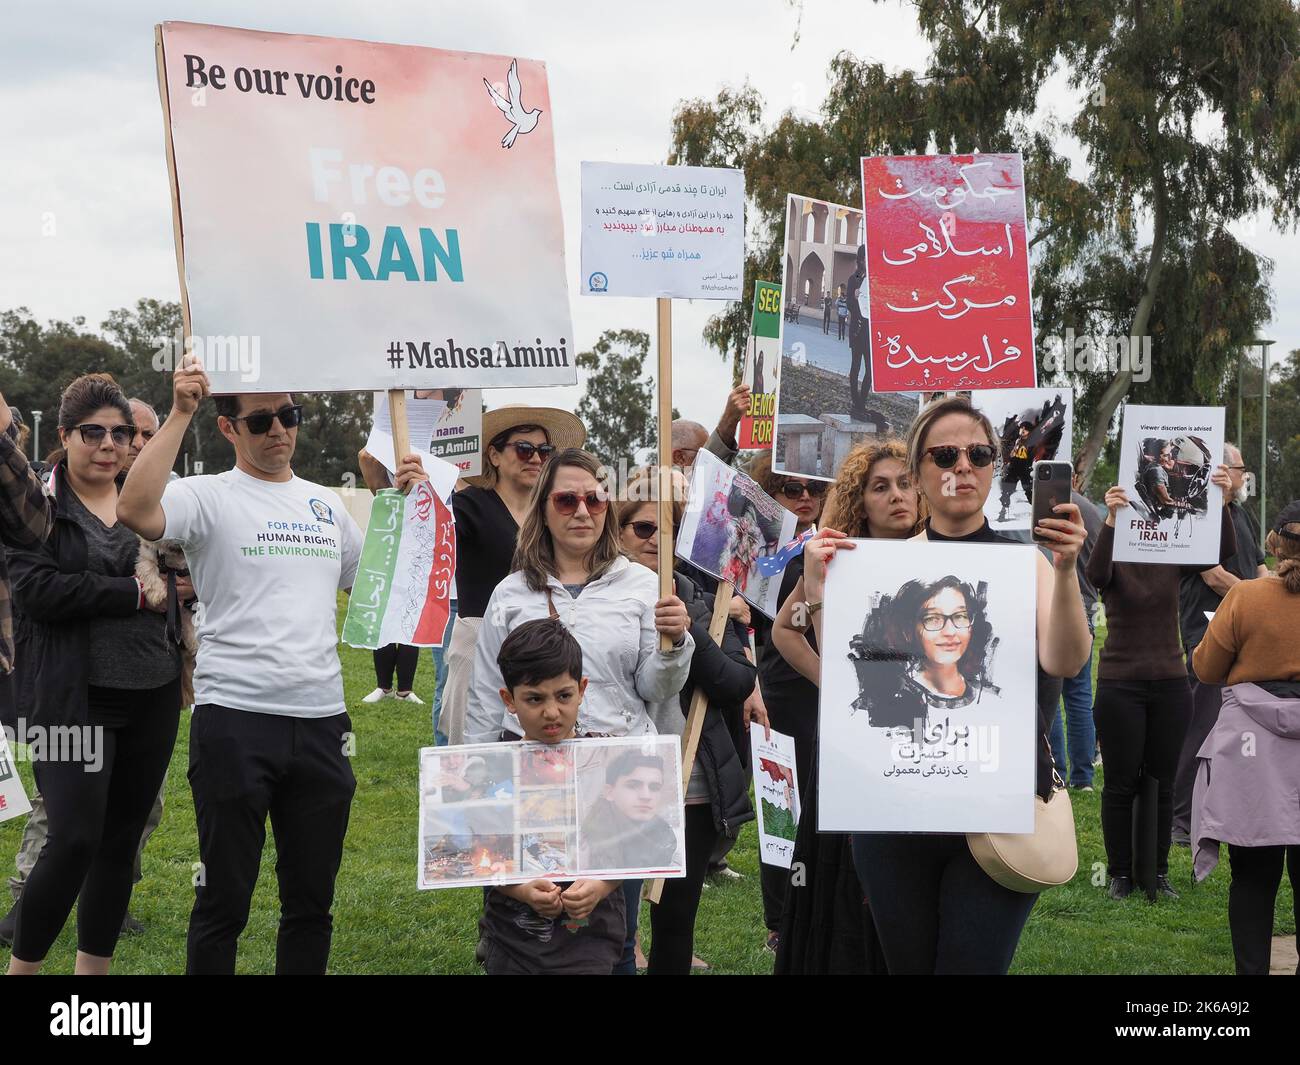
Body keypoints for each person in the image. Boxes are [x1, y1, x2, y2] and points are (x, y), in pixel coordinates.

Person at [116, 355, 427, 974]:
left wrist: (400, 511)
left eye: (290, 415)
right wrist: (180, 412)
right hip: (235, 718)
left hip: (321, 722)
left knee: (311, 906)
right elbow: (135, 508)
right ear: (229, 429)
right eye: (262, 421)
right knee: (222, 903)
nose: (280, 430)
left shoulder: (324, 507)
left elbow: (380, 590)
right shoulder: (205, 496)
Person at [801, 397, 1091, 974]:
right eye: (945, 454)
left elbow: (1065, 659)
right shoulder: (878, 565)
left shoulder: (1029, 562)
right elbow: (856, 678)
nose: (963, 466)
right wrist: (816, 593)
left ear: (994, 465)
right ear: (919, 473)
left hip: (998, 807)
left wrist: (1064, 574)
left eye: (979, 453)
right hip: (897, 808)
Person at [463, 447, 692, 975]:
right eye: (566, 500)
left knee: (612, 929)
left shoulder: (642, 586)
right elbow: (484, 695)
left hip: (614, 777)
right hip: (530, 778)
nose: (582, 511)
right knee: (531, 913)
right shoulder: (510, 593)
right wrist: (474, 783)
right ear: (543, 507)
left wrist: (675, 643)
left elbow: (655, 688)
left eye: (594, 498)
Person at [5, 374, 181, 975]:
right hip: (72, 699)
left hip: (152, 691)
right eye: (93, 432)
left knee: (120, 841)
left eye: (121, 433)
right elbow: (37, 591)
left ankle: (91, 982)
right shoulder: (38, 505)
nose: (109, 444)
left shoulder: (148, 499)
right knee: (74, 838)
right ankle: (23, 969)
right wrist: (132, 593)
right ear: (64, 436)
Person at [771, 439, 920, 974]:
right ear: (859, 498)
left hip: (927, 749)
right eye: (881, 487)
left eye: (906, 483)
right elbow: (784, 633)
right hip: (853, 751)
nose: (897, 496)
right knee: (850, 886)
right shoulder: (838, 556)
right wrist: (833, 682)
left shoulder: (946, 553)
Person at [616, 477, 755, 974]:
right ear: (617, 533)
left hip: (687, 778)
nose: (655, 539)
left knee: (675, 918)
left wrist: (685, 627)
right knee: (612, 922)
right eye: (643, 527)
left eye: (667, 529)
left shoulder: (703, 598)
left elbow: (737, 680)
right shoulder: (596, 601)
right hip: (614, 775)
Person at [1086, 476, 1235, 901]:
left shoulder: (1172, 549)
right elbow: (1096, 574)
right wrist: (1112, 521)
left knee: (1162, 781)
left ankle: (1159, 873)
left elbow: (1220, 552)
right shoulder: (1113, 545)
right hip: (1119, 681)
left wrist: (1221, 501)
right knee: (1120, 781)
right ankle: (1119, 874)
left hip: (1170, 680)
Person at [1190, 499, 1300, 975]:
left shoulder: (1246, 597)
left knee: (1253, 880)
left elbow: (1208, 669)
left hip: (1253, 754)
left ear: (1273, 544)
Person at [477, 618, 624, 975]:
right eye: (534, 699)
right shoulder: (492, 771)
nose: (551, 712)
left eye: (563, 696)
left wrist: (601, 886)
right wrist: (523, 890)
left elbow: (632, 843)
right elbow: (478, 852)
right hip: (512, 941)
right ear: (509, 700)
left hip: (590, 941)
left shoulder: (609, 764)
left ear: (582, 689)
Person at [439, 405, 585, 745]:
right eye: (524, 448)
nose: (535, 458)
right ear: (493, 455)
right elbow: (420, 535)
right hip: (479, 639)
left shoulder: (553, 512)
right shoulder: (467, 506)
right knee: (475, 755)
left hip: (543, 647)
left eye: (544, 451)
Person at [1172, 443, 1268, 844]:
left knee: (1243, 727)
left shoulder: (1241, 514)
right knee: (1202, 724)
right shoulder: (1196, 516)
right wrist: (1258, 600)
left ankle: (1229, 810)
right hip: (1207, 630)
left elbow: (1262, 570)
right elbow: (1213, 577)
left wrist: (1273, 604)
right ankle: (1179, 819)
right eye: (1241, 468)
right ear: (1223, 473)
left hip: (1249, 631)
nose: (1246, 476)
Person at [1048, 488, 1104, 791]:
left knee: (1052, 693)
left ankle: (1057, 768)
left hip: (1057, 604)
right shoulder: (1091, 511)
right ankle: (1083, 776)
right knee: (1079, 695)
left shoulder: (1038, 507)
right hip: (1086, 606)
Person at [579, 752, 680, 870]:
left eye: (654, 788)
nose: (646, 796)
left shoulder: (665, 836)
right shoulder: (587, 841)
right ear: (609, 792)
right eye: (633, 785)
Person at [845, 244, 869, 418]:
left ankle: (862, 401)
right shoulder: (854, 279)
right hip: (857, 330)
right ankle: (856, 403)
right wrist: (855, 298)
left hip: (869, 331)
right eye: (866, 258)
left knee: (870, 370)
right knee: (855, 367)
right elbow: (849, 304)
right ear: (861, 260)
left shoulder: (874, 278)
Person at [996, 421, 1034, 523]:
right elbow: (1012, 454)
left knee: (1029, 491)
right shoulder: (1018, 441)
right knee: (1006, 491)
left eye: (1025, 429)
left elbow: (1030, 457)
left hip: (1024, 469)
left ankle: (1037, 512)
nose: (1022, 431)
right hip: (1014, 468)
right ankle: (1003, 511)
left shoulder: (1031, 442)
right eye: (1021, 428)